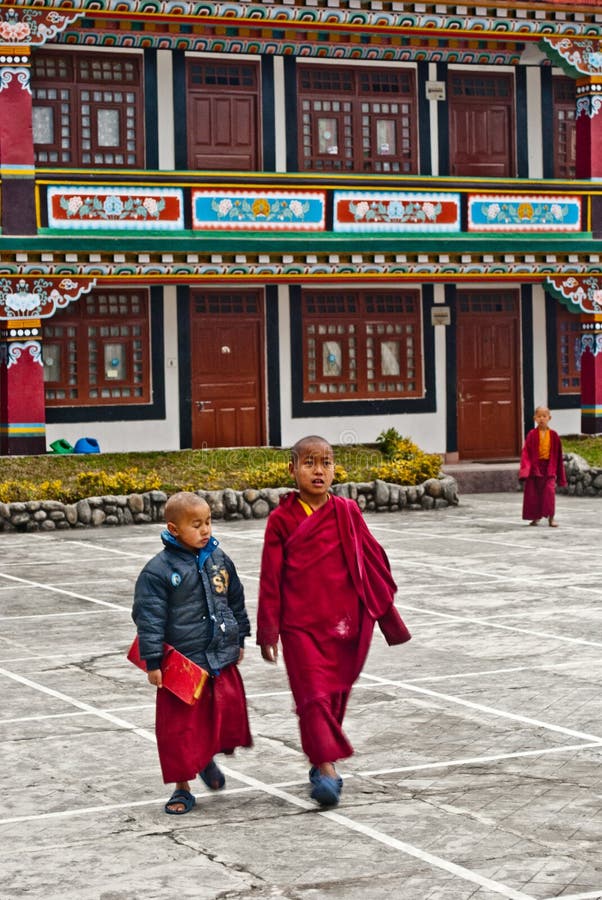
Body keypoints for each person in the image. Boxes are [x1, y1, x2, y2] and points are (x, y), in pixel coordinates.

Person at [257, 435, 411, 807]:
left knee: (335, 694)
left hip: (345, 623)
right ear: (292, 469)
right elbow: (270, 577)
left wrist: (382, 609)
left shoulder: (347, 511)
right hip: (300, 627)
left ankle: (319, 757)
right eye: (309, 463)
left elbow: (372, 559)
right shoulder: (281, 520)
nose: (319, 470)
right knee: (311, 695)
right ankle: (326, 768)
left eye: (326, 462)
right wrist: (268, 630)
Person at [132, 491, 252, 815]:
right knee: (178, 731)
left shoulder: (219, 560)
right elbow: (149, 617)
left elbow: (234, 599)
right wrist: (153, 661)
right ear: (173, 529)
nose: (205, 531)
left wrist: (239, 638)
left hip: (217, 656)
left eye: (208, 522)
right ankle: (182, 788)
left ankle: (206, 760)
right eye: (196, 525)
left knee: (220, 718)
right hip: (181, 666)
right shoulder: (158, 571)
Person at [519, 405, 567, 527]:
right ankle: (535, 518)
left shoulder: (554, 435)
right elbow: (526, 453)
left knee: (549, 493)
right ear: (535, 418)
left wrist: (560, 475)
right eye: (539, 416)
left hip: (549, 468)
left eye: (544, 416)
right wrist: (526, 469)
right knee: (534, 494)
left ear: (549, 418)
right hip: (535, 468)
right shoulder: (531, 434)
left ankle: (551, 518)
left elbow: (558, 455)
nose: (542, 419)